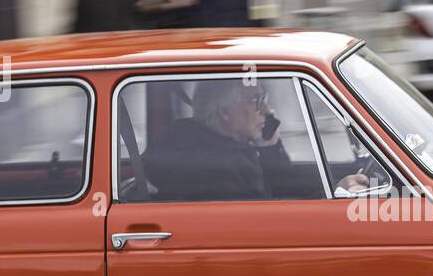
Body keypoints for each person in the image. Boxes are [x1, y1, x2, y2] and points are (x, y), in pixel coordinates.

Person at [143, 81, 368, 201]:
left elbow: (281, 191)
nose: (268, 110)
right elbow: (271, 223)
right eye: (255, 100)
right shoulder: (215, 167)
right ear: (224, 112)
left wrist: (269, 148)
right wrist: (333, 195)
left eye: (265, 99)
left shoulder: (227, 149)